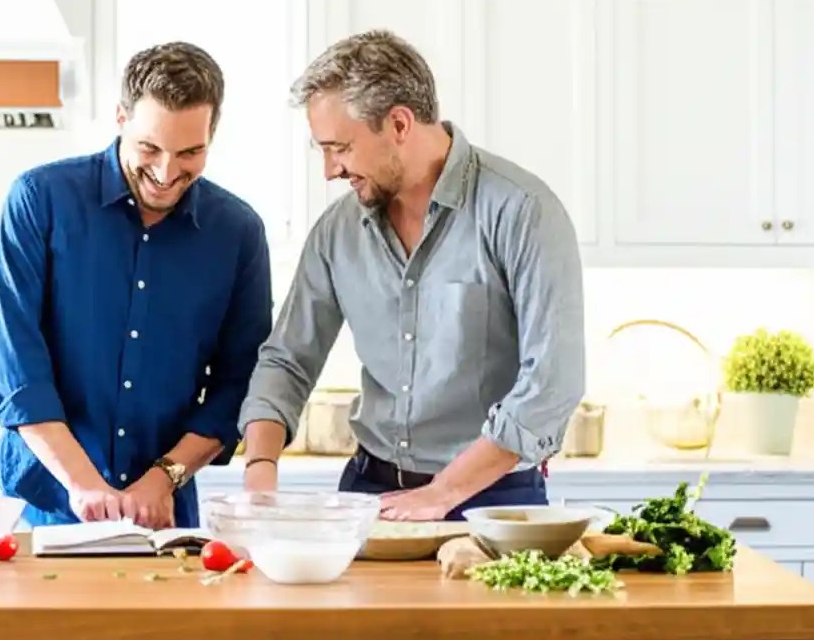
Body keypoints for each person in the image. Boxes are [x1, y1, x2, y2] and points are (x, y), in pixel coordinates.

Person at [237, 29, 585, 521]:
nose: (330, 170)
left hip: (492, 499)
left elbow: (552, 385)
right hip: (369, 491)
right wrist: (259, 472)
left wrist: (442, 494)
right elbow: (288, 359)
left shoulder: (522, 211)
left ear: (399, 123)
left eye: (340, 148)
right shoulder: (338, 231)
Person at [0, 41, 273, 530]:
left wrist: (163, 478)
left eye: (190, 152)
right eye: (149, 147)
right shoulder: (40, 201)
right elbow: (17, 373)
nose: (166, 173)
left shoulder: (238, 232)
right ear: (121, 117)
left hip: (163, 512)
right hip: (47, 506)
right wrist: (83, 484)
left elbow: (237, 385)